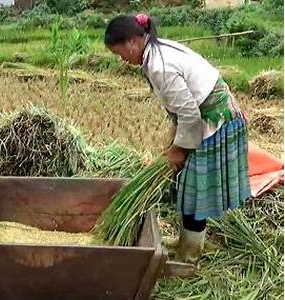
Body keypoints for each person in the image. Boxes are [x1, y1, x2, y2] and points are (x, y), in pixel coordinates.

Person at [104, 14, 251, 263]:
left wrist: (178, 150)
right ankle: (187, 241)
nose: (123, 61)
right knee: (187, 185)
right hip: (202, 117)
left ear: (131, 42)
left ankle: (189, 256)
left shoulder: (160, 66)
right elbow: (181, 109)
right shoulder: (155, 52)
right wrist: (172, 144)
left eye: (120, 54)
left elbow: (190, 114)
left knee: (194, 190)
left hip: (215, 120)